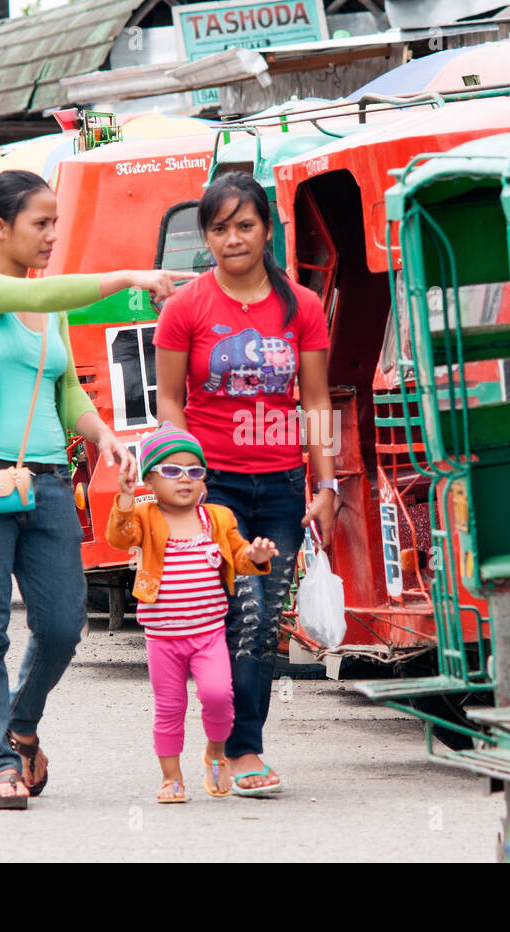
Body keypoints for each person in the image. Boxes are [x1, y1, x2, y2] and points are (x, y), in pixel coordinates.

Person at [0, 169, 192, 810]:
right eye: (40, 224)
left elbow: (63, 385)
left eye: (57, 223)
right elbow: (62, 295)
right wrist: (132, 277)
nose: (53, 235)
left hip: (48, 482)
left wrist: (103, 436)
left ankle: (21, 725)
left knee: (62, 624)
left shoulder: (40, 304)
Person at [154, 171, 336, 797]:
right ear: (205, 235)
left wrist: (327, 484)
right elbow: (170, 404)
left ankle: (238, 744)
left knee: (262, 624)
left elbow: (314, 402)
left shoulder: (301, 308)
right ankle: (238, 747)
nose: (232, 238)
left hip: (282, 485)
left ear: (266, 230)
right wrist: (184, 476)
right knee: (234, 614)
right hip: (215, 487)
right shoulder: (185, 309)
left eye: (245, 225)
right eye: (219, 227)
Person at [107, 423, 278, 803]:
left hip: (209, 632)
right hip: (163, 637)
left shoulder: (217, 518)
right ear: (150, 479)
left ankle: (216, 755)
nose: (184, 479)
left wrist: (255, 556)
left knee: (219, 695)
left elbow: (238, 555)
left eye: (194, 471)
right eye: (171, 471)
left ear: (204, 479)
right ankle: (171, 778)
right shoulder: (146, 516)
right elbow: (119, 538)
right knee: (170, 707)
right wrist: (123, 496)